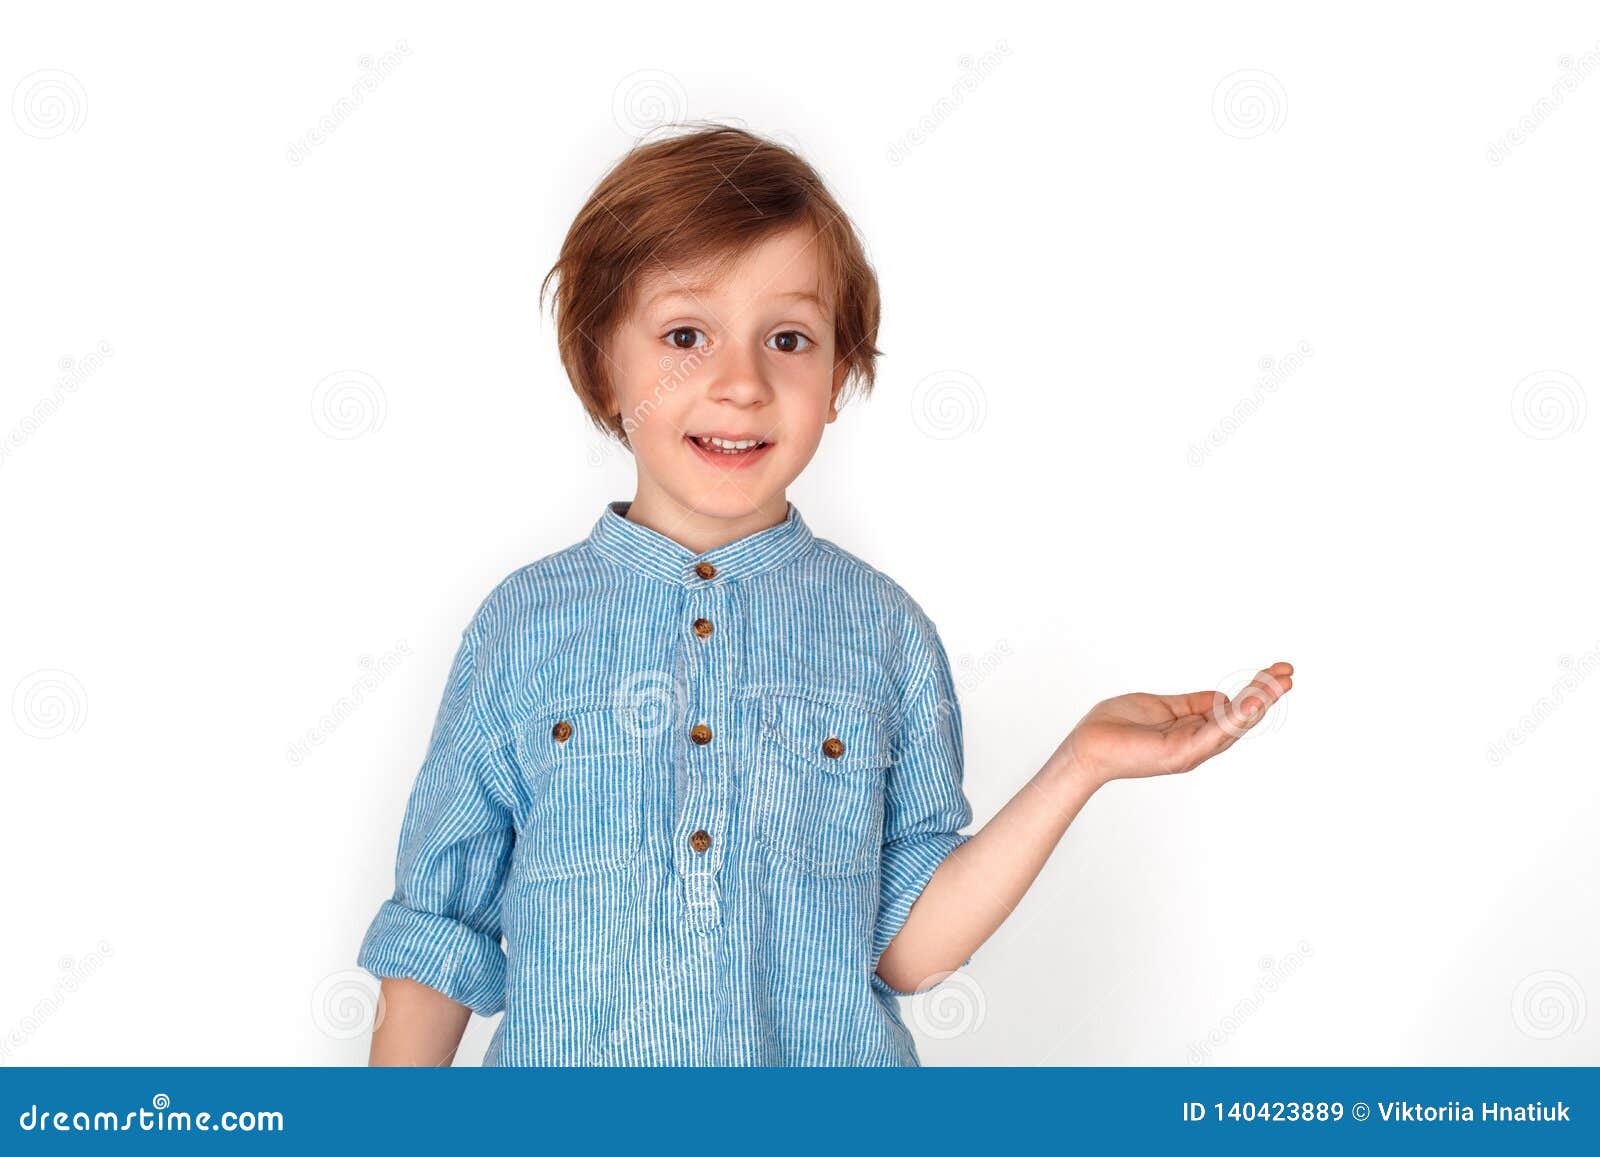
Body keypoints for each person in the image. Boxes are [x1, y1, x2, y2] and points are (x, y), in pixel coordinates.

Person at [355, 122, 1293, 1066]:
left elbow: (909, 951)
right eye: (686, 335)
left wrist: (1080, 763)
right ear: (605, 361)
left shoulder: (884, 634)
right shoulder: (523, 628)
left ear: (840, 373)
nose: (741, 383)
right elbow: (439, 935)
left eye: (789, 339)